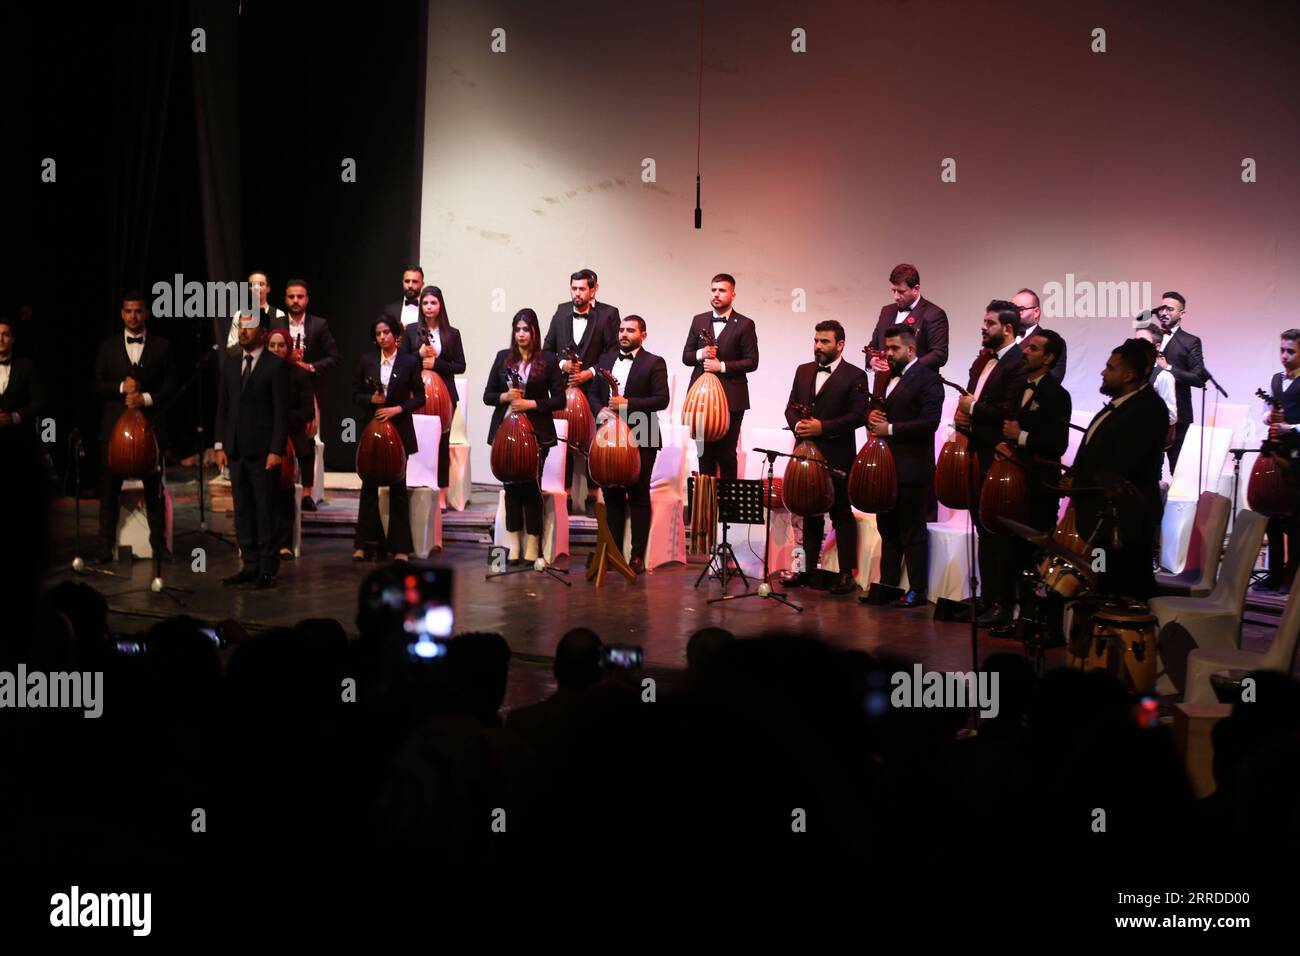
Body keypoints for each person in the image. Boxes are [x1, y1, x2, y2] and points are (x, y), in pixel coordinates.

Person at [1068, 340, 1169, 602]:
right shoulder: (1120, 405)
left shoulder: (1149, 408)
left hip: (1123, 524)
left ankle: (1127, 638)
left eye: (1110, 368)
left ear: (1129, 375)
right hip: (1102, 522)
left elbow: (1126, 462)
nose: (1103, 372)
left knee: (1124, 589)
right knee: (1101, 578)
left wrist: (1082, 481)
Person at [991, 329, 1072, 636]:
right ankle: (1010, 614)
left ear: (1048, 358)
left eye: (1033, 348)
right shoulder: (1019, 388)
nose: (1025, 351)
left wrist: (1019, 438)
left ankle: (1034, 620)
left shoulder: (1057, 395)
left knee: (1034, 554)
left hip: (1039, 487)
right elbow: (1008, 426)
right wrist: (1003, 443)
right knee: (1011, 551)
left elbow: (1057, 443)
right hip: (1014, 484)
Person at [782, 320, 869, 596]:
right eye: (816, 340)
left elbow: (858, 416)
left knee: (841, 513)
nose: (818, 346)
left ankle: (846, 574)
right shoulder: (803, 370)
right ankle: (806, 570)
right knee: (809, 512)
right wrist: (798, 426)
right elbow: (790, 407)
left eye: (825, 342)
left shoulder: (855, 376)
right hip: (805, 453)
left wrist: (823, 427)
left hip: (837, 455)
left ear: (840, 345)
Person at [955, 300, 1027, 628]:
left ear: (1008, 329)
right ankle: (988, 598)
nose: (984, 327)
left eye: (990, 323)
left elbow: (1009, 411)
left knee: (999, 531)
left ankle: (1003, 602)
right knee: (984, 529)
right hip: (977, 453)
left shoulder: (1018, 363)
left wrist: (972, 411)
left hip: (998, 458)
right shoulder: (983, 359)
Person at [90, 292, 176, 564]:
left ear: (146, 313)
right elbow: (95, 385)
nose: (133, 316)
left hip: (149, 430)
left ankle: (159, 546)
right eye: (128, 311)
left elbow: (171, 387)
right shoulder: (107, 347)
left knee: (154, 491)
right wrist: (120, 388)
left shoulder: (163, 346)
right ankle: (104, 547)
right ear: (121, 314)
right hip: (112, 430)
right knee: (108, 491)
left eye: (138, 311)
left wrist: (145, 398)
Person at [866, 324, 943, 608]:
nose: (889, 353)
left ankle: (918, 590)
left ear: (911, 349)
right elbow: (880, 414)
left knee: (912, 530)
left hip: (913, 468)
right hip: (887, 468)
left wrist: (891, 429)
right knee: (888, 528)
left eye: (894, 348)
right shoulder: (887, 378)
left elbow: (929, 424)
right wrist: (871, 416)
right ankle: (887, 586)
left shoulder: (929, 379)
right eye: (887, 348)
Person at [484, 309, 566, 563]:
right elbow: (487, 395)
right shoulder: (502, 358)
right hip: (505, 431)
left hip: (536, 433)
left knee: (531, 487)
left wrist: (530, 404)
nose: (521, 334)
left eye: (526, 329)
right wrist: (504, 397)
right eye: (517, 329)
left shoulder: (549, 360)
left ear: (534, 332)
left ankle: (533, 545)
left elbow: (560, 400)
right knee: (510, 489)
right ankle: (513, 545)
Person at [214, 311, 288, 588]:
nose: (243, 332)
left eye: (249, 327)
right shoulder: (231, 364)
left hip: (263, 451)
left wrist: (276, 450)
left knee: (265, 509)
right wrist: (220, 444)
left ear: (263, 331)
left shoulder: (275, 366)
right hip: (235, 450)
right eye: (240, 327)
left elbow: (281, 413)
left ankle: (268, 568)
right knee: (243, 509)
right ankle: (250, 564)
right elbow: (223, 408)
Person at [591, 315, 670, 574]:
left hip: (643, 432)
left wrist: (628, 404)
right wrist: (599, 409)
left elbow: (661, 399)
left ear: (643, 335)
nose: (624, 334)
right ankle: (612, 553)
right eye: (622, 330)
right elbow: (592, 393)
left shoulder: (654, 362)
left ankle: (636, 555)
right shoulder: (605, 360)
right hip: (609, 433)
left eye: (631, 330)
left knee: (638, 494)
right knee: (611, 493)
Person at [543, 268, 620, 516]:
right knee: (562, 439)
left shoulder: (609, 314)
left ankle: (592, 497)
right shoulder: (560, 311)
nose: (577, 293)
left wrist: (591, 372)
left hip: (594, 390)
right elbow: (548, 349)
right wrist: (561, 364)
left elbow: (612, 352)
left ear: (594, 289)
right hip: (564, 389)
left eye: (582, 289)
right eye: (574, 288)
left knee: (594, 441)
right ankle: (562, 497)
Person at [352, 317, 425, 562]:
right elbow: (355, 394)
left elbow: (420, 398)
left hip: (399, 428)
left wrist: (397, 409)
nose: (382, 337)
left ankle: (401, 548)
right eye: (378, 333)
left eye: (386, 332)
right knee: (369, 487)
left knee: (398, 489)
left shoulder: (409, 361)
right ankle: (364, 544)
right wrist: (369, 401)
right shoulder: (367, 360)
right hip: (373, 430)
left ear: (396, 335)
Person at [681, 273, 759, 479]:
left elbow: (752, 361)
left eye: (722, 290)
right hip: (700, 399)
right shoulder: (699, 320)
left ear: (733, 295)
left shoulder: (745, 324)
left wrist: (721, 366)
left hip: (732, 398)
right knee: (703, 454)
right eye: (713, 290)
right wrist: (701, 354)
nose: (716, 294)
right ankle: (705, 508)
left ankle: (728, 509)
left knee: (726, 454)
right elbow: (686, 356)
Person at [399, 285, 467, 500]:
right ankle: (410, 483)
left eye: (433, 303)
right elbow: (400, 363)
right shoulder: (411, 330)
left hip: (445, 394)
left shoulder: (452, 333)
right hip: (415, 395)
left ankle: (442, 494)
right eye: (425, 303)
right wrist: (418, 356)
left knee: (441, 443)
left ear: (440, 305)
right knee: (413, 439)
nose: (429, 307)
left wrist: (436, 364)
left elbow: (460, 365)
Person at [1254, 329, 1300, 594]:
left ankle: (1291, 578)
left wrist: (1291, 428)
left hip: (1295, 456)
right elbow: (1266, 412)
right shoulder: (1275, 380)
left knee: (1294, 521)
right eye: (1282, 350)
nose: (1284, 356)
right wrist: (1268, 418)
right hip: (1274, 452)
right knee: (1271, 514)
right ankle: (1274, 575)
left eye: (1291, 351)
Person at [265, 330, 316, 559]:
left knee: (284, 489)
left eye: (281, 346)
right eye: (272, 346)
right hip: (264, 435)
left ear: (288, 348)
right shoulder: (260, 373)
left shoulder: (298, 374)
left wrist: (281, 418)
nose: (277, 350)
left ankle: (284, 542)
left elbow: (306, 411)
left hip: (290, 434)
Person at [1154, 291, 1208, 472]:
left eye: (1169, 308)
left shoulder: (1190, 341)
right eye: (1162, 308)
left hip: (1178, 413)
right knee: (1149, 467)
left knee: (1177, 469)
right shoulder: (1151, 337)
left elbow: (1199, 378)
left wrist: (1169, 368)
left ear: (1181, 314)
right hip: (1151, 412)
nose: (1163, 312)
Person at [866, 263, 950, 372]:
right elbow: (873, 346)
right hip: (883, 386)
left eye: (901, 292)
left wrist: (908, 368)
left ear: (916, 288)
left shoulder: (934, 314)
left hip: (916, 385)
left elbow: (939, 355)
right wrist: (872, 360)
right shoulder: (886, 311)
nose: (895, 297)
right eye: (893, 290)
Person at [222, 272, 286, 361]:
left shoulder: (279, 315)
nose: (256, 288)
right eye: (252, 285)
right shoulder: (239, 314)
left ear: (268, 288)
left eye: (261, 284)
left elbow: (283, 346)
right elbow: (231, 347)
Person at [0, 317, 45, 433]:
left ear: (13, 339)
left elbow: (39, 400)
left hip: (18, 438)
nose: (0, 339)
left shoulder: (27, 366)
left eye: (5, 335)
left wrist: (14, 417)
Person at [1012, 288, 1066, 382]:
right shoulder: (1003, 339)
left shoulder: (1052, 342)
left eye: (1020, 309)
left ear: (1036, 312)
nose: (1013, 313)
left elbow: (1052, 382)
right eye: (1012, 309)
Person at [381, 265, 428, 331]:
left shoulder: (428, 309)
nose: (410, 285)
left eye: (415, 281)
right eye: (407, 281)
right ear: (402, 282)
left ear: (422, 284)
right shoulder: (390, 310)